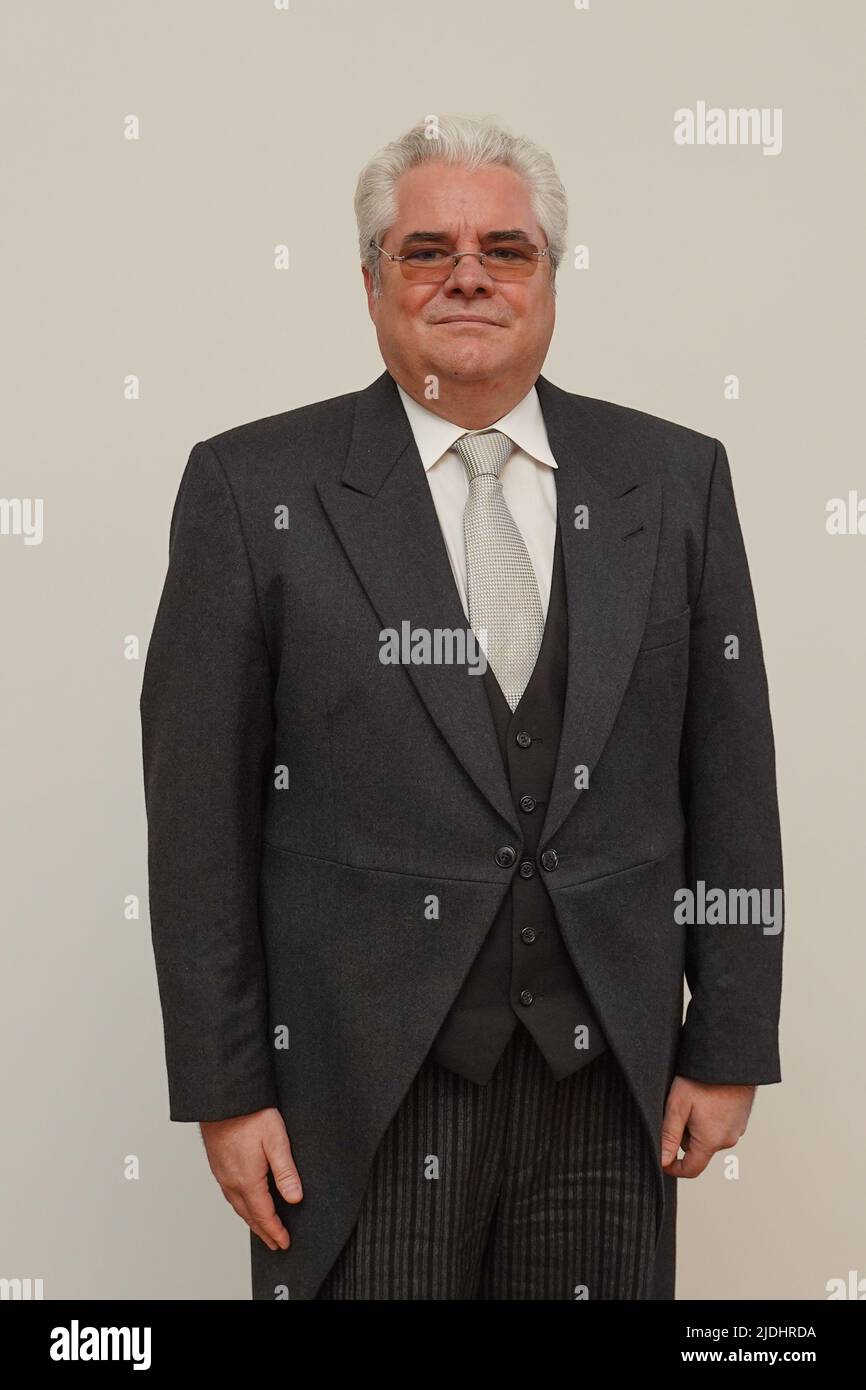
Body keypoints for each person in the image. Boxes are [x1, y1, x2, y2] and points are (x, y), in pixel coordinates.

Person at [140, 115, 784, 1301]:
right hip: (358, 1095)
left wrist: (730, 1040)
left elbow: (729, 774)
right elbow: (196, 827)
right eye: (426, 248)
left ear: (547, 275)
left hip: (608, 1090)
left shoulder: (674, 479)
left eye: (506, 247)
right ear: (371, 279)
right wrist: (227, 1088)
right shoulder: (252, 488)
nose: (469, 275)